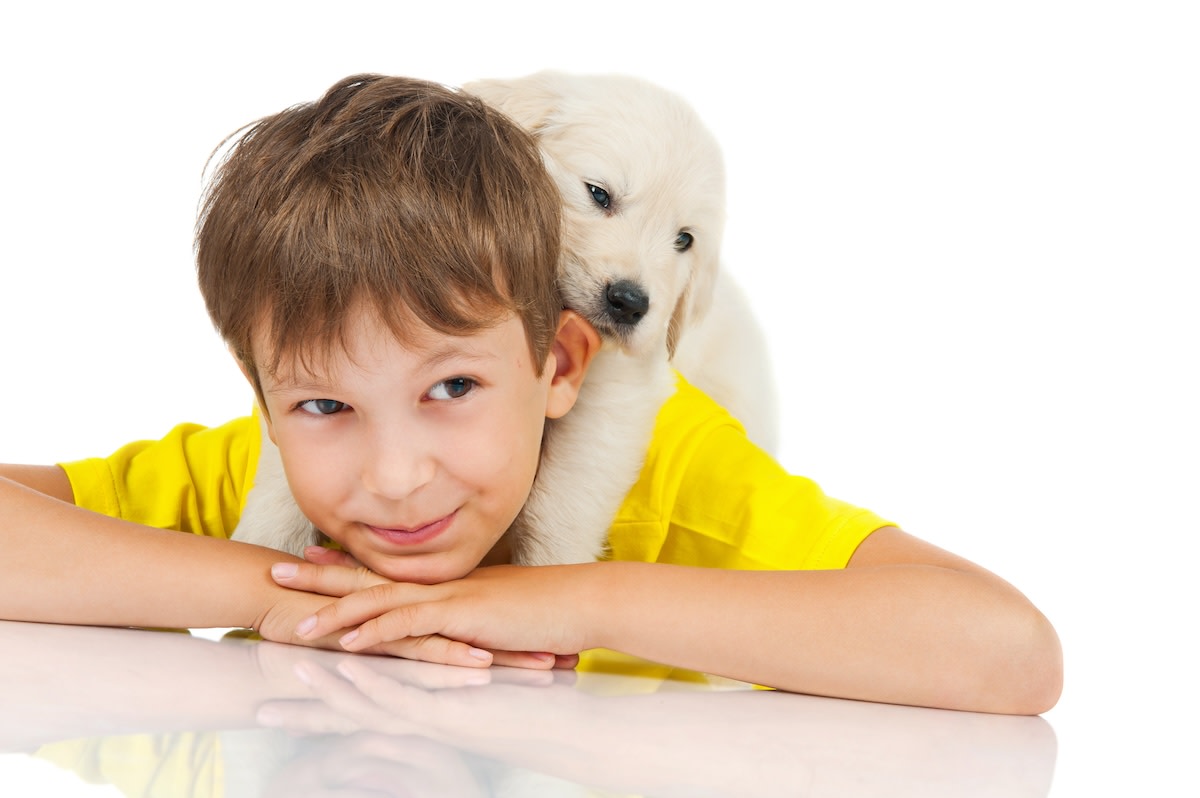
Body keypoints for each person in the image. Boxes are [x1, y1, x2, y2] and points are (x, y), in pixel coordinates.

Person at [0, 74, 1062, 715]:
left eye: (453, 384)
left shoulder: (671, 471)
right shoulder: (273, 466)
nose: (396, 473)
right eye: (324, 404)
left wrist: (554, 600)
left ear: (561, 364)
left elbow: (1006, 652)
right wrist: (279, 594)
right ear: (267, 395)